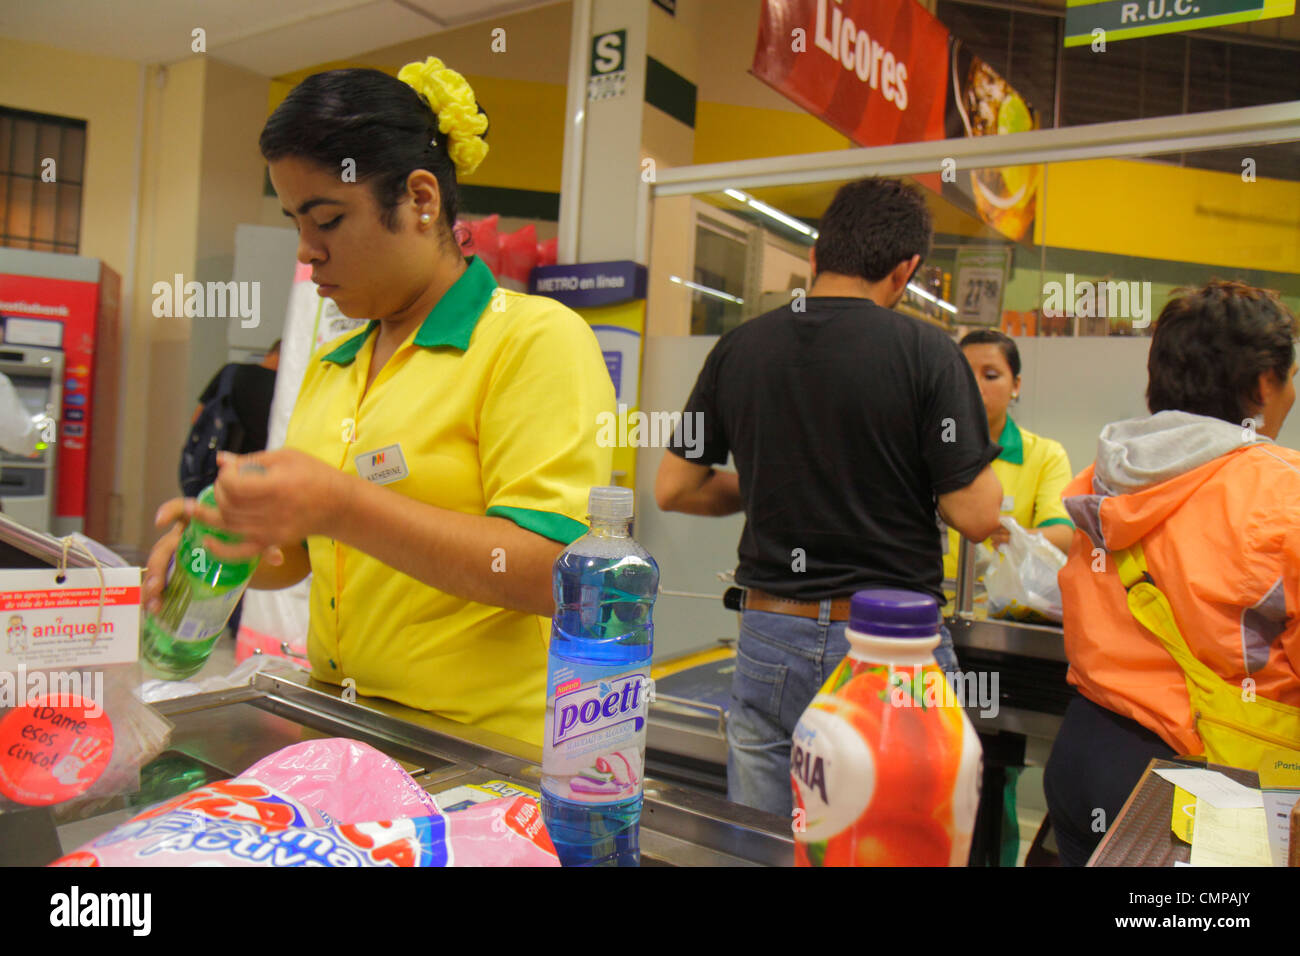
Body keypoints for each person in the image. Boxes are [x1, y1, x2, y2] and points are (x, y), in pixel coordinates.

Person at [143, 59, 615, 747]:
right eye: (295, 223)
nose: (308, 252)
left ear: (421, 200)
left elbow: (554, 572)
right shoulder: (337, 363)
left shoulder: (531, 339)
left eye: (328, 219)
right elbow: (308, 554)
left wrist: (342, 502)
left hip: (479, 753)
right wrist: (237, 543)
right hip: (347, 727)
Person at [655, 177, 1003, 816]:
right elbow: (976, 514)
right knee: (895, 845)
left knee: (762, 850)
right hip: (888, 649)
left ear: (816, 256)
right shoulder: (929, 353)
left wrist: (764, 480)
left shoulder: (740, 347)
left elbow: (675, 487)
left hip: (770, 633)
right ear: (905, 272)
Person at [1045, 280, 1300, 865]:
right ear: (1264, 384)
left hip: (1087, 754)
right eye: (1288, 377)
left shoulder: (1105, 476)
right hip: (1211, 778)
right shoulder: (1282, 492)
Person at [944, 330, 1074, 575]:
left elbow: (1064, 535)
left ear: (1015, 385)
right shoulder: (936, 446)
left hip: (1005, 606)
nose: (976, 387)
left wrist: (1019, 536)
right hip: (935, 598)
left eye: (990, 376)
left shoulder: (1045, 455)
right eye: (964, 376)